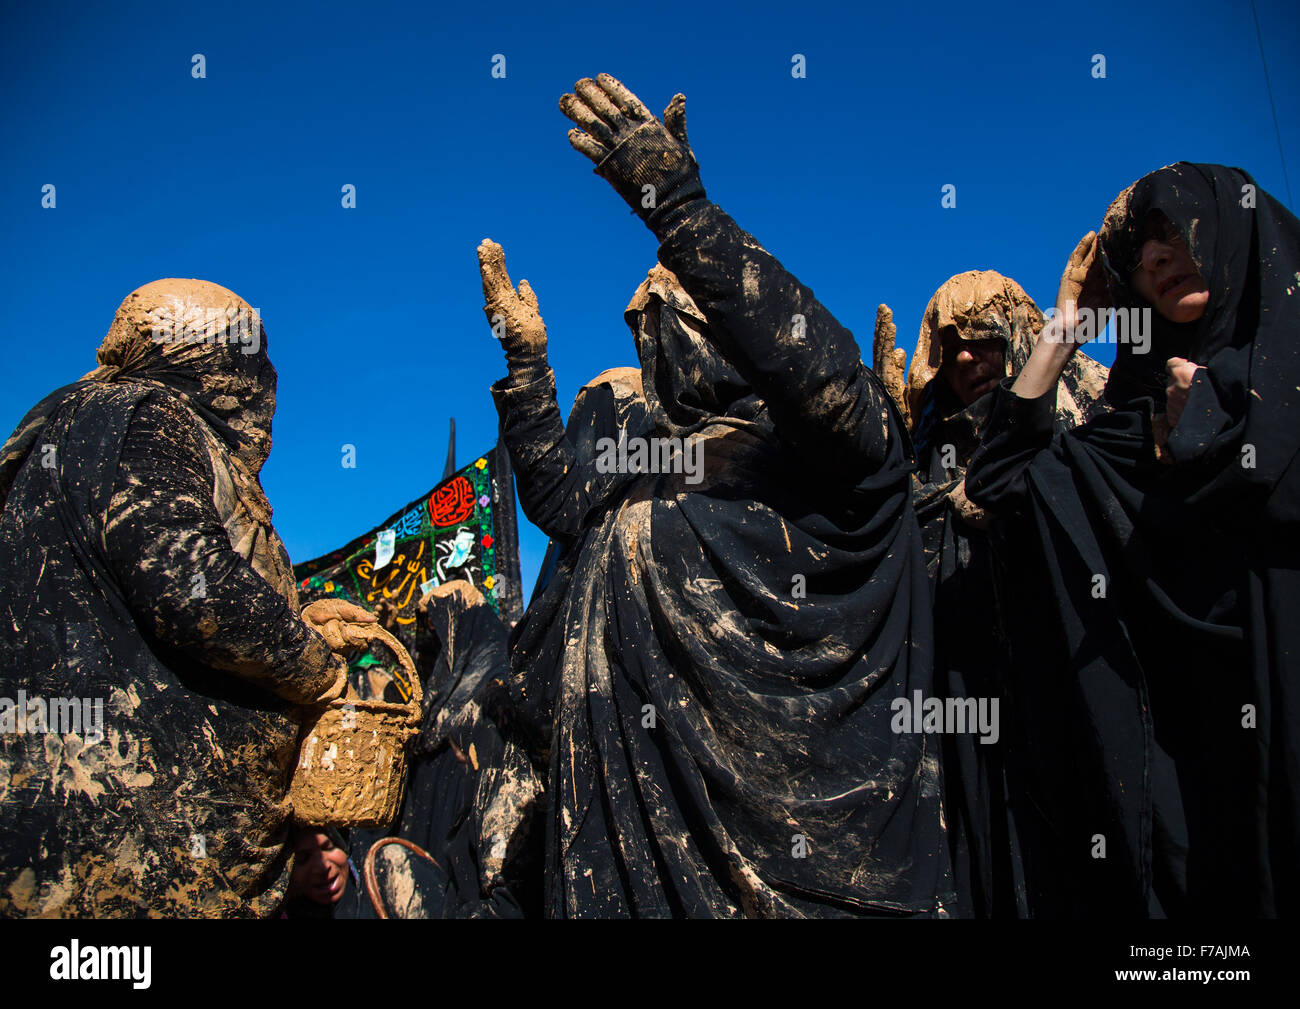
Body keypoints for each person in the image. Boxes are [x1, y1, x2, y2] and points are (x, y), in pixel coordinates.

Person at [476, 72, 954, 918]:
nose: (658, 340)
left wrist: (680, 213)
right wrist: (528, 369)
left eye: (681, 317)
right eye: (646, 327)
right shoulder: (666, 458)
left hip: (803, 865)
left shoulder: (837, 444)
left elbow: (817, 373)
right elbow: (558, 501)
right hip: (631, 855)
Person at [965, 163, 1300, 917]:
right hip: (1202, 799)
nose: (1155, 258)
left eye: (1170, 232)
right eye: (1139, 256)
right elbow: (1000, 480)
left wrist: (1222, 418)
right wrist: (1063, 333)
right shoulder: (1138, 426)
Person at [0, 279, 373, 917]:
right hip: (130, 845)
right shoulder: (150, 414)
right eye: (255, 361)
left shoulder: (59, 435)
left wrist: (298, 616)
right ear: (221, 363)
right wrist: (322, 670)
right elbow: (186, 580)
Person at [874, 274, 1108, 916]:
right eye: (952, 349)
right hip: (959, 698)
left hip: (1068, 675)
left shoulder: (1083, 415)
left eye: (982, 339)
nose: (969, 358)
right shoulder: (923, 453)